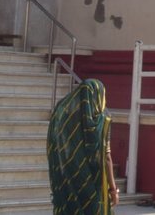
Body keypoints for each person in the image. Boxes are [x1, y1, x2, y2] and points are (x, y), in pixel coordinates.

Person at [49, 79, 119, 215]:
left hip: (69, 180)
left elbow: (55, 148)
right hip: (93, 183)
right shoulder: (101, 121)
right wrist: (113, 189)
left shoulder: (66, 118)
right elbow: (106, 157)